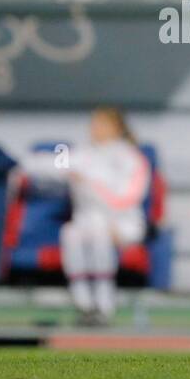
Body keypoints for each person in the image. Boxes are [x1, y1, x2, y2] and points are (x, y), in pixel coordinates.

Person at [21, 107, 151, 325]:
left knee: (99, 234)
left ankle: (104, 304)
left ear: (116, 127)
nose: (95, 129)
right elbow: (51, 164)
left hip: (123, 223)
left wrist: (93, 192)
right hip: (86, 223)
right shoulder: (84, 153)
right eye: (93, 124)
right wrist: (16, 163)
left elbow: (130, 196)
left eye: (101, 124)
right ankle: (84, 303)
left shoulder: (130, 157)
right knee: (71, 233)